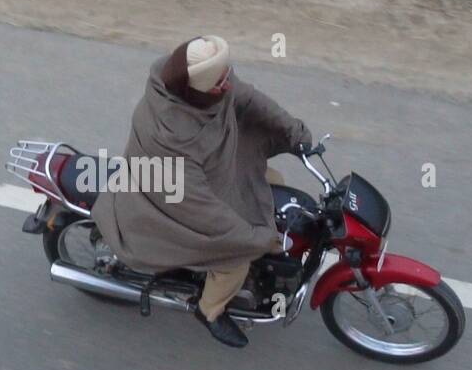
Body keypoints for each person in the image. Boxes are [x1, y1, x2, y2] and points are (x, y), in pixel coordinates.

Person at [92, 35, 311, 348]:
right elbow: (198, 207)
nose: (229, 85)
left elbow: (248, 99)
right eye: (221, 83)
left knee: (273, 181)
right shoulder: (169, 134)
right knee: (236, 258)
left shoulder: (201, 82)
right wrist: (254, 238)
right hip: (166, 195)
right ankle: (209, 310)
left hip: (207, 169)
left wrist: (293, 131)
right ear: (198, 90)